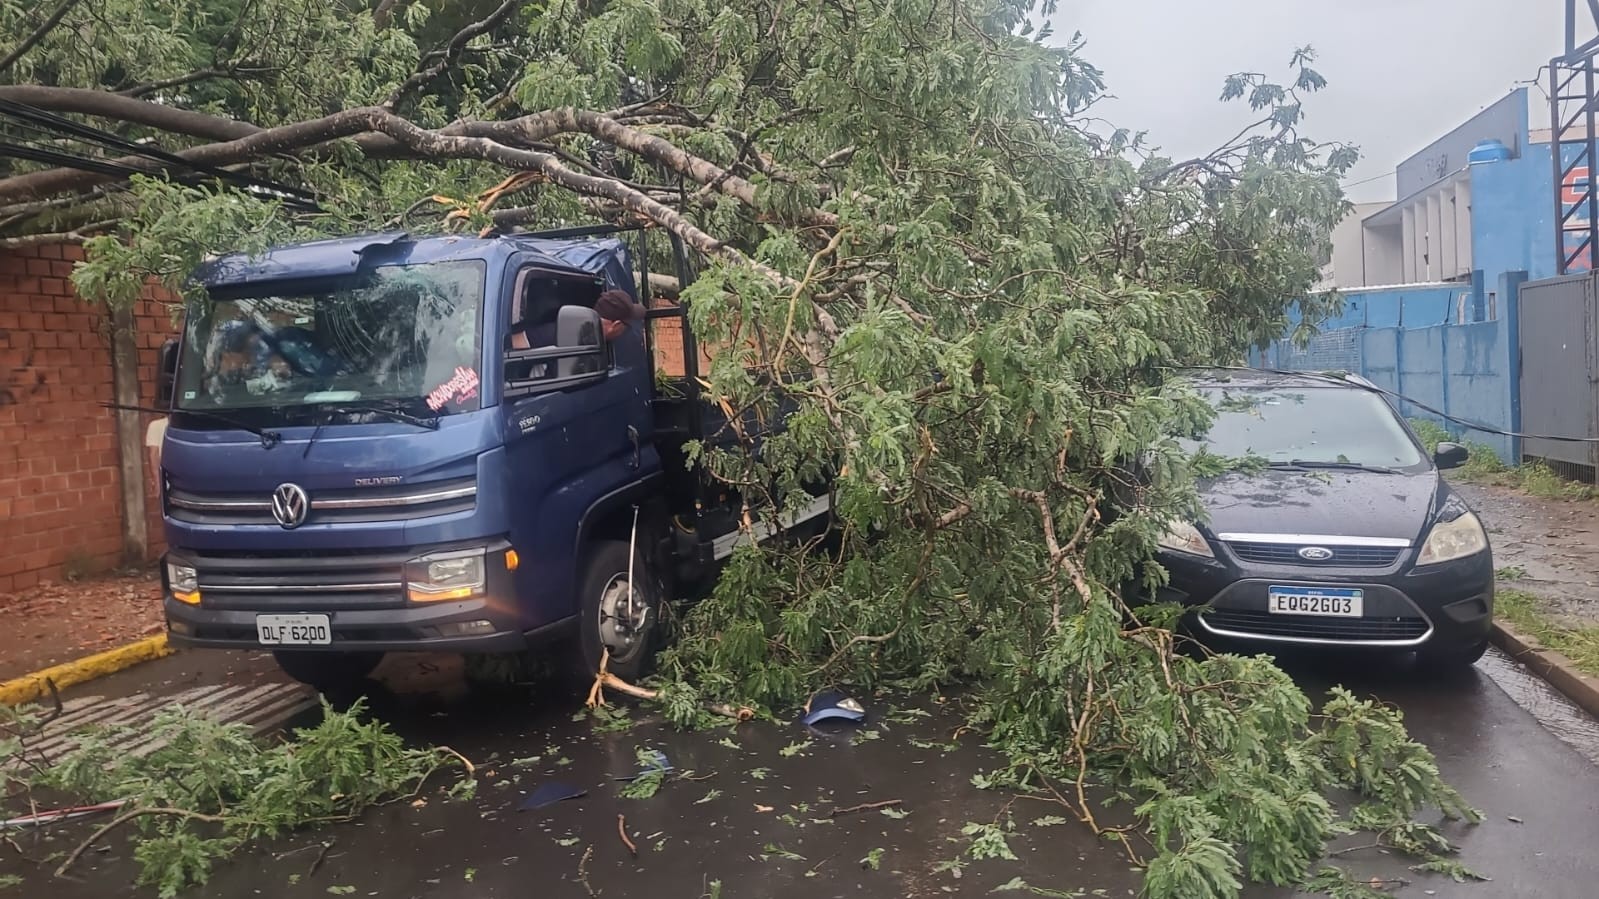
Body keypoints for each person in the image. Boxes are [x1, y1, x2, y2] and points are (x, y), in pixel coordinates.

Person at [510, 289, 645, 351]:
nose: (625, 332)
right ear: (615, 325)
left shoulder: (598, 342)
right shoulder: (557, 331)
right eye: (626, 327)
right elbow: (509, 345)